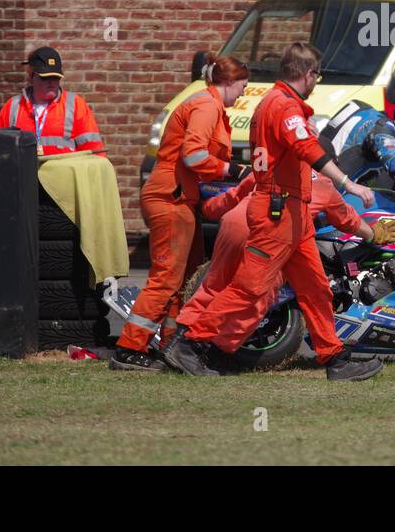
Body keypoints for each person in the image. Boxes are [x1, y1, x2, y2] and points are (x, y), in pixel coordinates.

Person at [164, 42, 383, 382]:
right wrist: (348, 184)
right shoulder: (284, 107)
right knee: (250, 289)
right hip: (278, 213)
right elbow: (306, 147)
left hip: (292, 214)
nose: (316, 83)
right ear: (309, 74)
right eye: (317, 76)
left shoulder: (274, 104)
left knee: (315, 288)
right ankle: (192, 342)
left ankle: (334, 358)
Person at [110, 54, 250, 371]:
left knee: (184, 280)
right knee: (165, 279)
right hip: (170, 199)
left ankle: (170, 343)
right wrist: (234, 171)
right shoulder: (206, 106)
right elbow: (195, 155)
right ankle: (129, 348)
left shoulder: (207, 104)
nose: (244, 92)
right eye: (243, 85)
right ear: (229, 82)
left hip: (180, 199)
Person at [177, 170, 381, 330]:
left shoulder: (271, 168)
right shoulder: (323, 184)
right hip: (264, 233)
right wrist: (373, 235)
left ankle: (181, 336)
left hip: (232, 223)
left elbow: (234, 194)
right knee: (255, 296)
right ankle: (205, 344)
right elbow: (347, 219)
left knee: (212, 287)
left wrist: (207, 209)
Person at [0, 46, 105, 156]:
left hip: (63, 173)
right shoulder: (13, 107)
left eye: (56, 77)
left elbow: (95, 152)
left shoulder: (76, 105)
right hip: (23, 173)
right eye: (45, 77)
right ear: (31, 76)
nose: (51, 82)